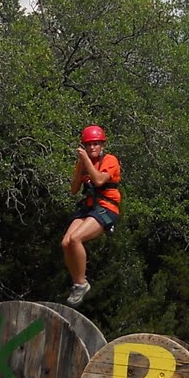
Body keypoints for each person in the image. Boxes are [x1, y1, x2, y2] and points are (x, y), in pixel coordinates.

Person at [62, 124, 120, 305]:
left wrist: (85, 161)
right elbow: (73, 189)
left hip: (106, 207)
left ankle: (81, 284)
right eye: (89, 144)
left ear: (102, 145)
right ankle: (77, 281)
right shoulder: (83, 163)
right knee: (66, 243)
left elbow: (99, 180)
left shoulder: (110, 160)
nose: (92, 147)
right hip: (88, 207)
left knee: (76, 239)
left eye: (96, 144)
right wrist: (80, 167)